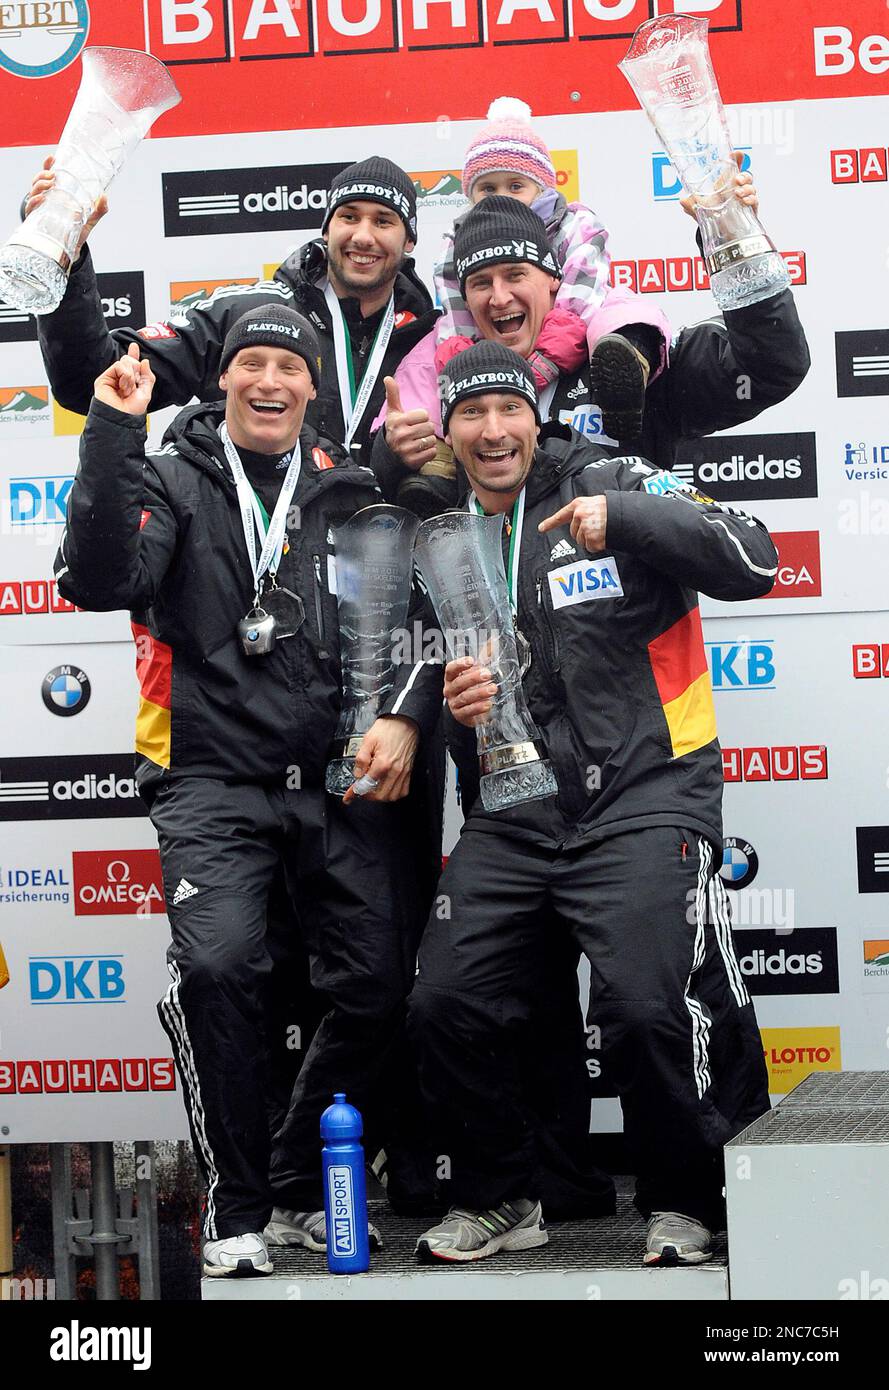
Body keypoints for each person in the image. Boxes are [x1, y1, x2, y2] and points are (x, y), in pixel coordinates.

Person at [54, 304, 443, 1276]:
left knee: (375, 986)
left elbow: (422, 612)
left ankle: (282, 1174)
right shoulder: (170, 475)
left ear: (313, 390)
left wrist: (398, 712)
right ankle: (237, 1208)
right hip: (210, 783)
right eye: (250, 364)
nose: (269, 381)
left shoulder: (348, 491)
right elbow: (99, 577)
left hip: (330, 787)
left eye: (288, 366)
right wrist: (109, 432)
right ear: (221, 380)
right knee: (223, 970)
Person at [408, 341, 777, 1265]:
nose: (493, 432)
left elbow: (753, 557)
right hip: (513, 806)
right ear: (447, 433)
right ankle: (503, 1194)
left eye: (509, 411)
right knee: (441, 1002)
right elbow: (450, 688)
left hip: (646, 795)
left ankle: (689, 1199)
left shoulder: (613, 474)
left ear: (537, 417)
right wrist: (456, 713)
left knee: (648, 1009)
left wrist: (632, 519)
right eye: (471, 416)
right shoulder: (438, 534)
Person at [372, 189, 809, 498]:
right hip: (494, 627)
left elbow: (771, 366)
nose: (499, 297)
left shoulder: (629, 351)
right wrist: (393, 458)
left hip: (628, 624)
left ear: (553, 281)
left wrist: (734, 239)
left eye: (516, 275)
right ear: (465, 299)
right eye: (481, 283)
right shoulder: (439, 379)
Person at [27, 154, 438, 470]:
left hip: (379, 564)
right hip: (252, 562)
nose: (363, 236)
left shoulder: (428, 340)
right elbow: (92, 380)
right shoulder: (247, 315)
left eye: (383, 221)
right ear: (327, 229)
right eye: (349, 217)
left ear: (409, 241)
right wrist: (66, 254)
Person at [435, 96, 673, 443]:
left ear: (542, 187)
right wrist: (466, 363)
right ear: (470, 196)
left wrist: (546, 357)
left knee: (623, 312)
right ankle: (440, 452)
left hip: (573, 324)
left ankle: (626, 385)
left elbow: (582, 289)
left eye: (516, 186)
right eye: (488, 188)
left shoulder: (573, 222)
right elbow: (456, 312)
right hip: (505, 342)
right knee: (435, 347)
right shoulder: (456, 241)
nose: (504, 196)